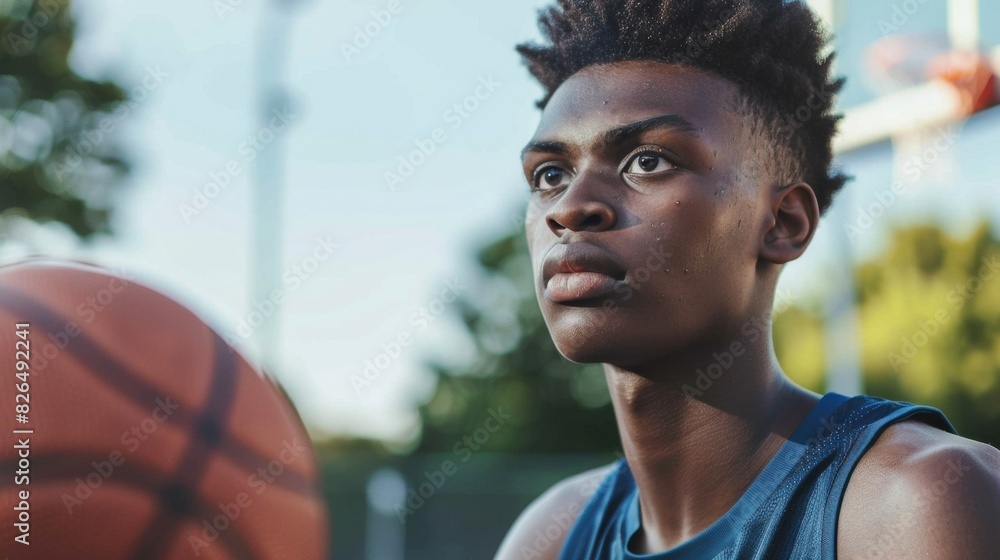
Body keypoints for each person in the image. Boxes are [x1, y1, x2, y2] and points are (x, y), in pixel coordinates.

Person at [494, 1, 1000, 558]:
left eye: (647, 161)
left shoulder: (921, 501)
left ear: (783, 222)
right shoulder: (552, 537)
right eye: (550, 174)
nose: (570, 207)